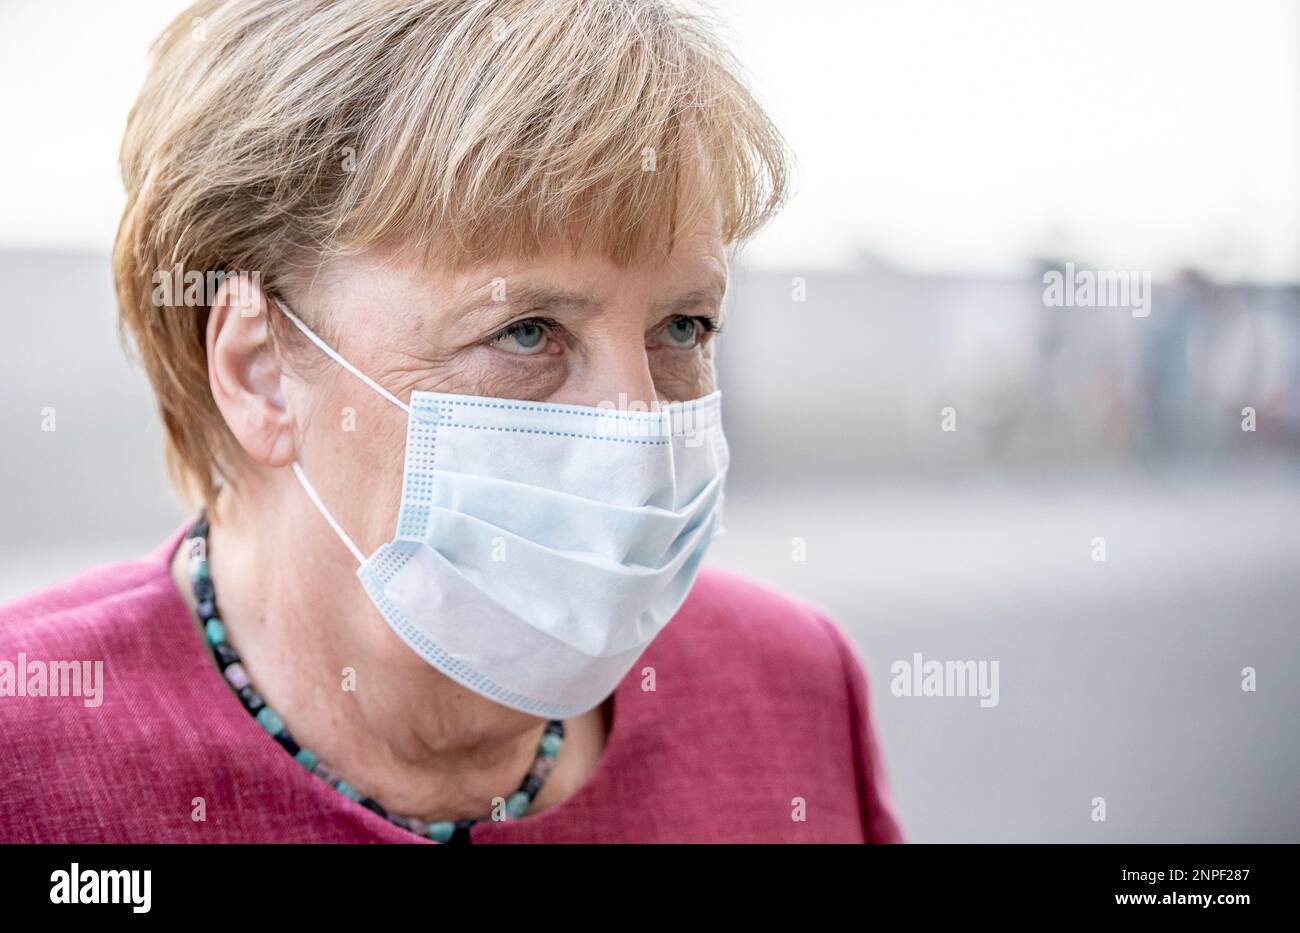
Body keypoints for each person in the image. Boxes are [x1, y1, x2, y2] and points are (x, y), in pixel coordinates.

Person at [0, 0, 902, 843]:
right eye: (525, 331)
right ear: (260, 370)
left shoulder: (793, 687)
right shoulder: (30, 761)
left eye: (682, 327)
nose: (638, 429)